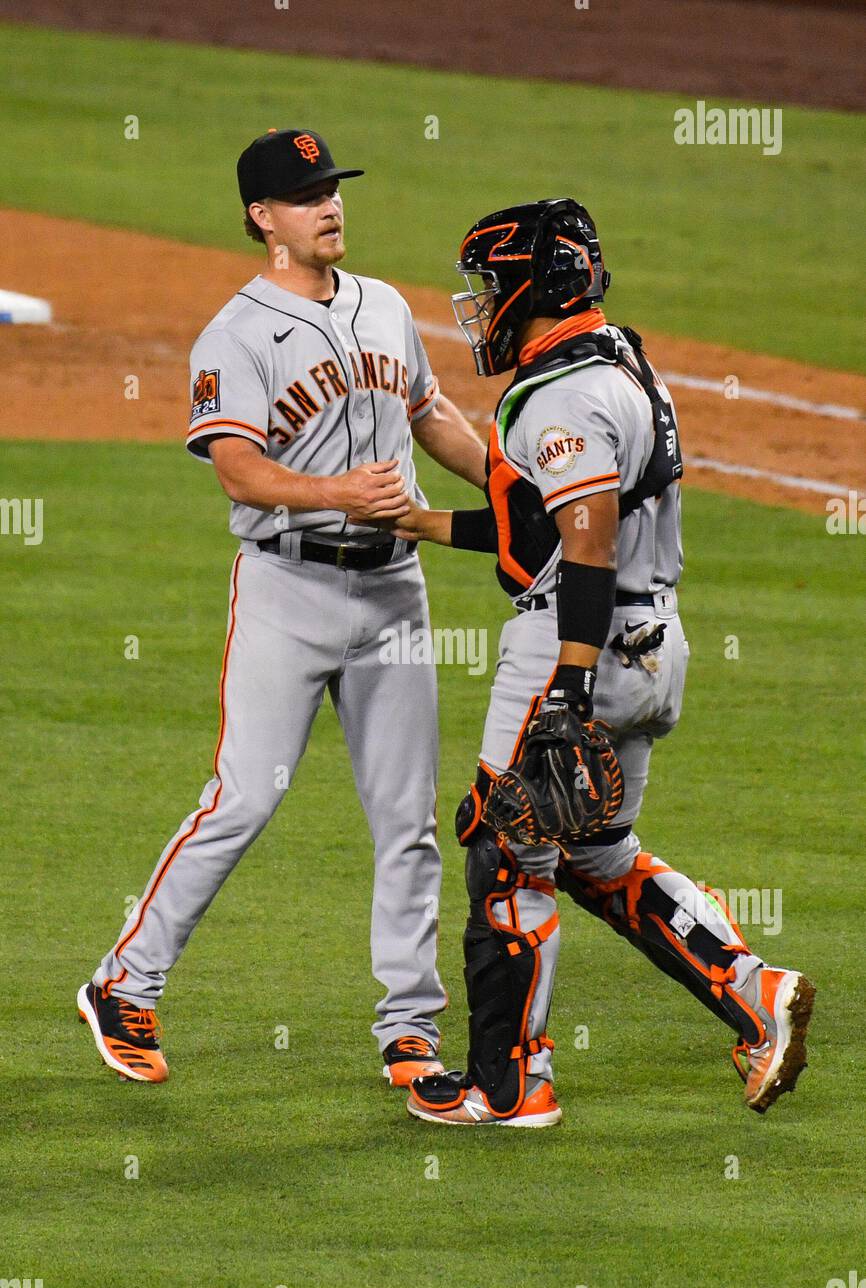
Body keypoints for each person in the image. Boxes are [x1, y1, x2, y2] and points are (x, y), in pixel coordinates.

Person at [77, 127, 485, 1087]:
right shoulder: (234, 335)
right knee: (244, 798)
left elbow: (432, 414)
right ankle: (127, 983)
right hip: (287, 591)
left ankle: (410, 1029)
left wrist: (503, 478)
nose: (330, 207)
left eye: (334, 189)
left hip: (394, 591)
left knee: (408, 819)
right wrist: (338, 491)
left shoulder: (385, 306)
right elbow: (239, 467)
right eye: (307, 197)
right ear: (265, 218)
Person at [393, 198, 815, 1126]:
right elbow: (554, 528)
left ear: (532, 286)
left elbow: (583, 546)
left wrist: (569, 691)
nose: (483, 301)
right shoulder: (618, 363)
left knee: (506, 855)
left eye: (491, 283)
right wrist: (425, 522)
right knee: (593, 852)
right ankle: (753, 990)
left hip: (575, 647)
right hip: (652, 642)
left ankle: (509, 1089)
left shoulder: (568, 393)